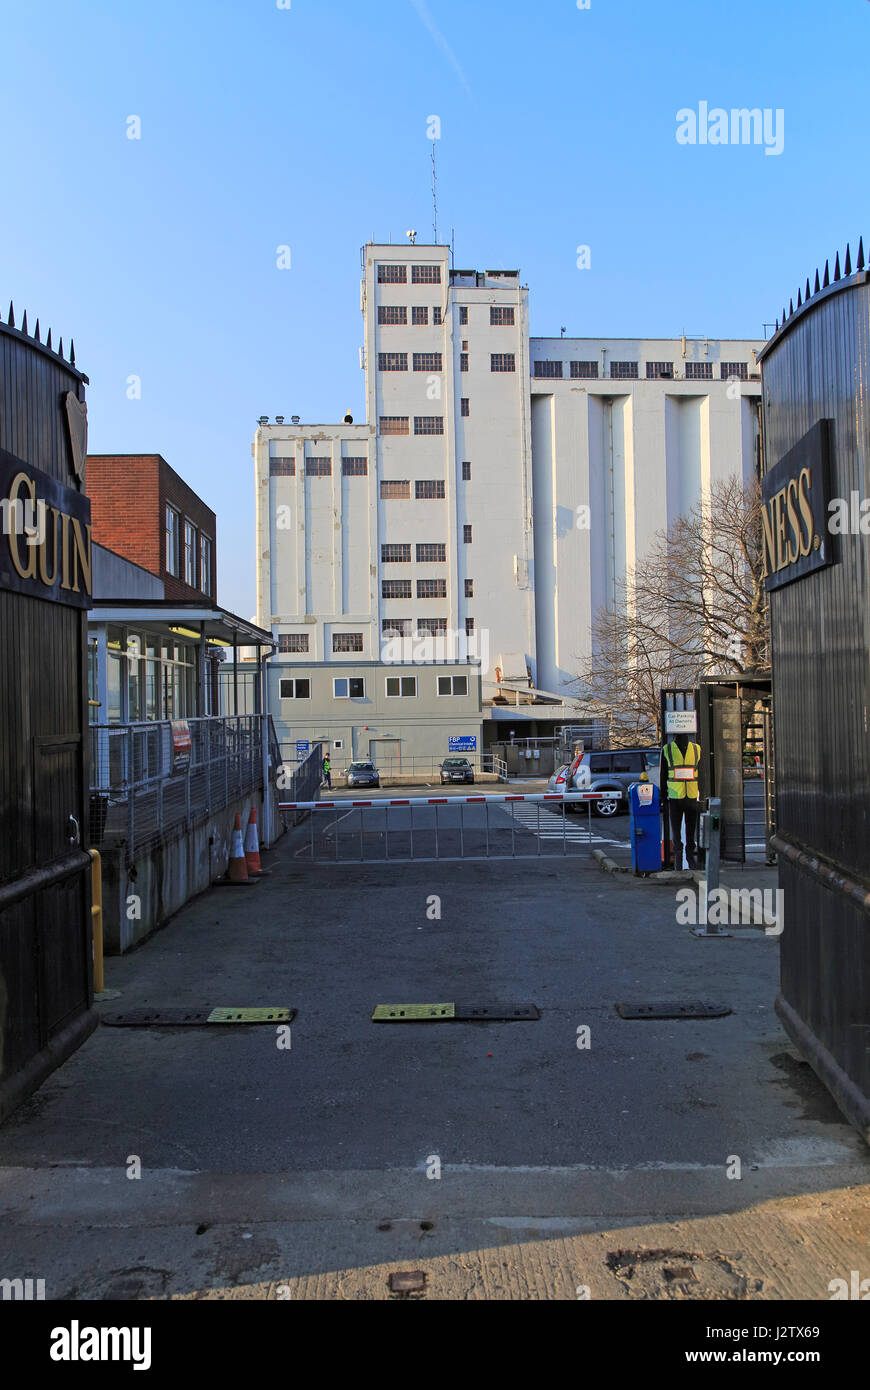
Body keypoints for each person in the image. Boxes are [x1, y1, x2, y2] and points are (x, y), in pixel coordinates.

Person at [663, 733, 701, 868]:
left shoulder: (697, 749)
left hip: (690, 796)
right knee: (676, 831)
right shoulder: (667, 749)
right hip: (675, 797)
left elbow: (701, 772)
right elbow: (663, 774)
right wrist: (664, 796)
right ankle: (679, 859)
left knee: (690, 830)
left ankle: (689, 858)